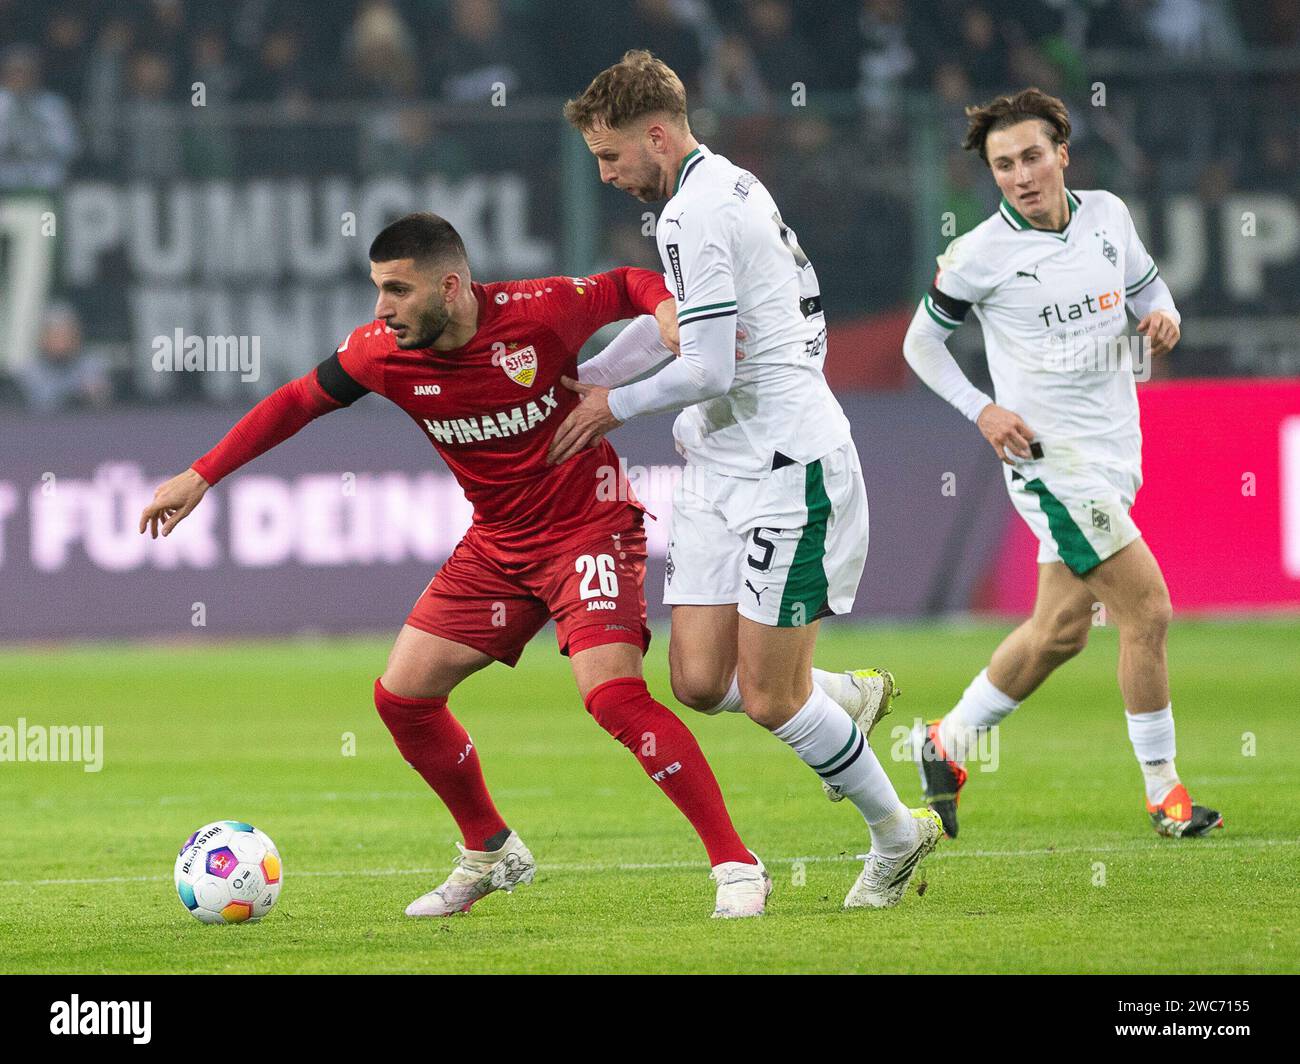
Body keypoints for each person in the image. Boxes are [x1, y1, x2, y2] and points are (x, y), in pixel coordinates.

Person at [139, 213, 773, 918]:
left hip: (586, 529)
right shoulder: (379, 353)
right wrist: (203, 474)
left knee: (612, 697)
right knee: (401, 698)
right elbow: (295, 403)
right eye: (378, 289)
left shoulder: (542, 312)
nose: (382, 308)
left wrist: (665, 311)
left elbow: (626, 282)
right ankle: (492, 848)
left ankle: (735, 864)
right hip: (498, 545)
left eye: (398, 290)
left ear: (451, 285)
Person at [551, 50, 941, 911]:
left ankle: (895, 834)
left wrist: (609, 409)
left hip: (785, 469)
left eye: (612, 157)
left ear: (657, 134)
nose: (609, 176)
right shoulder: (720, 188)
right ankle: (845, 696)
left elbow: (713, 367)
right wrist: (585, 381)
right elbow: (672, 334)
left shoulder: (697, 214)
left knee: (767, 696)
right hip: (718, 470)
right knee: (696, 681)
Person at [900, 87, 1222, 840]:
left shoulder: (1107, 214)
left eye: (1032, 156)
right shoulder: (978, 254)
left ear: (1062, 155)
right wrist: (980, 408)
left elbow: (1149, 290)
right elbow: (919, 344)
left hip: (1116, 453)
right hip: (1048, 464)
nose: (1020, 175)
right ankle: (1164, 794)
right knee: (1148, 610)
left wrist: (1164, 315)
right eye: (1004, 164)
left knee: (1060, 631)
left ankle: (945, 745)